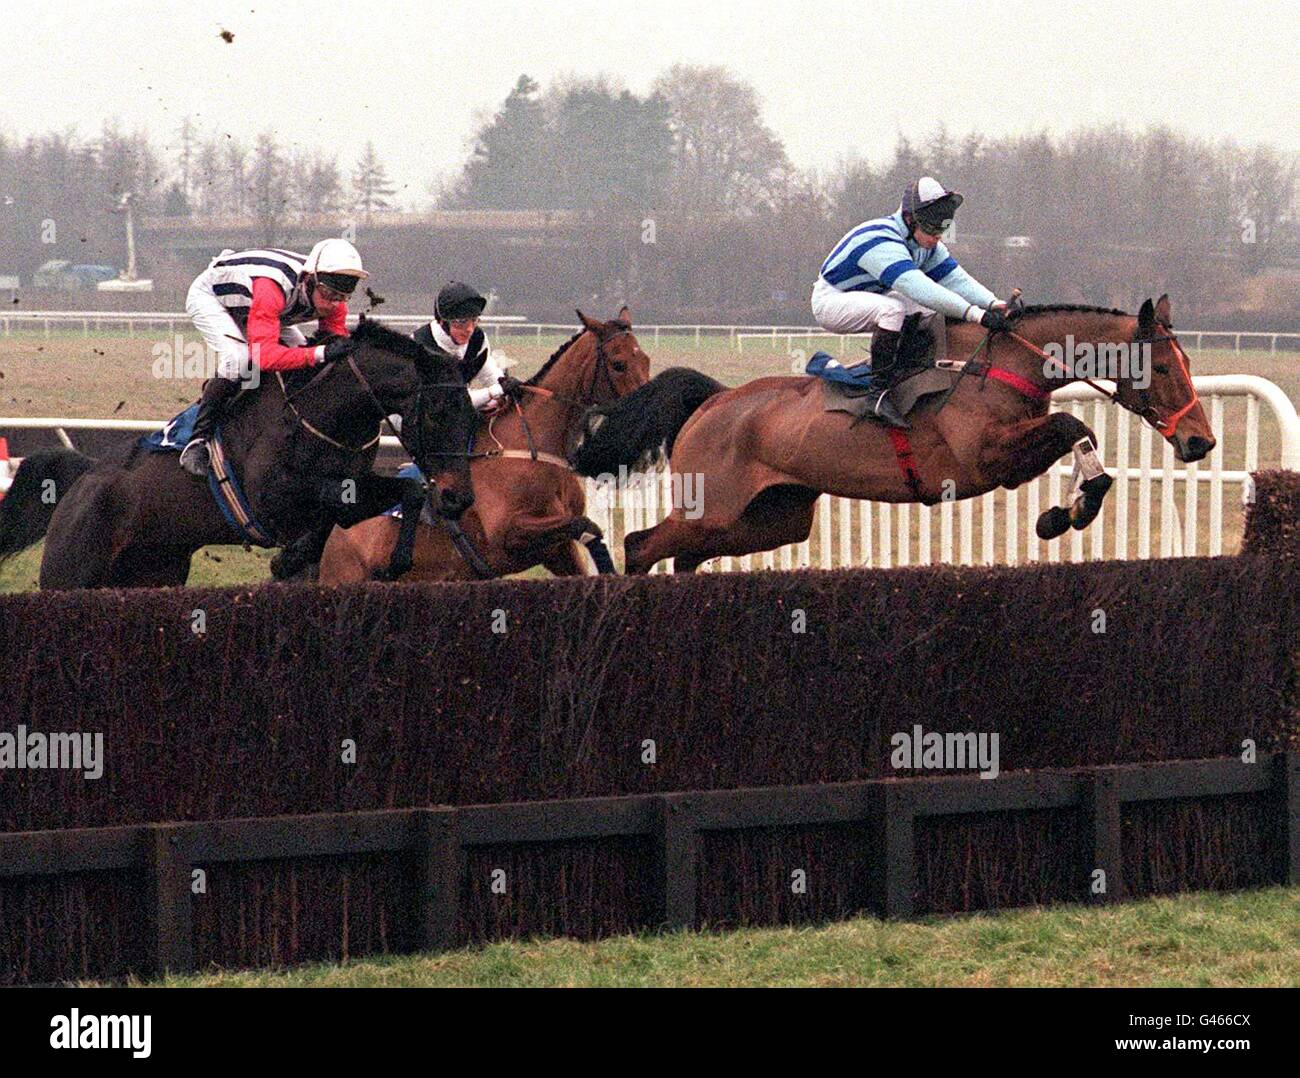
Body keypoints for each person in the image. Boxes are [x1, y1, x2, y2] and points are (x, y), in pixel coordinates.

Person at [811, 177, 1011, 427]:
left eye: (942, 230)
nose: (937, 237)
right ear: (909, 219)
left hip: (871, 294)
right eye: (931, 230)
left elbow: (955, 279)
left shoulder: (925, 243)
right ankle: (878, 394)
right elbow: (919, 287)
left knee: (926, 312)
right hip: (831, 301)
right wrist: (974, 314)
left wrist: (993, 303)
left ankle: (908, 372)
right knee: (892, 310)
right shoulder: (880, 240)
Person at [179, 238, 368, 474]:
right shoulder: (272, 287)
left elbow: (332, 345)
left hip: (267, 308)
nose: (333, 304)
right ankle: (199, 441)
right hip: (213, 298)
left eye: (341, 297)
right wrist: (321, 352)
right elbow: (264, 357)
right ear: (310, 280)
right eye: (328, 294)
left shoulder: (333, 296)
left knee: (301, 351)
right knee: (239, 359)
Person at [412, 281, 521, 415]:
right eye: (461, 322)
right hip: (420, 417)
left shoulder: (477, 339)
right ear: (441, 321)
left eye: (474, 320)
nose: (469, 329)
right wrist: (494, 392)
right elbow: (450, 401)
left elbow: (490, 373)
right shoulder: (422, 347)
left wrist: (505, 391)